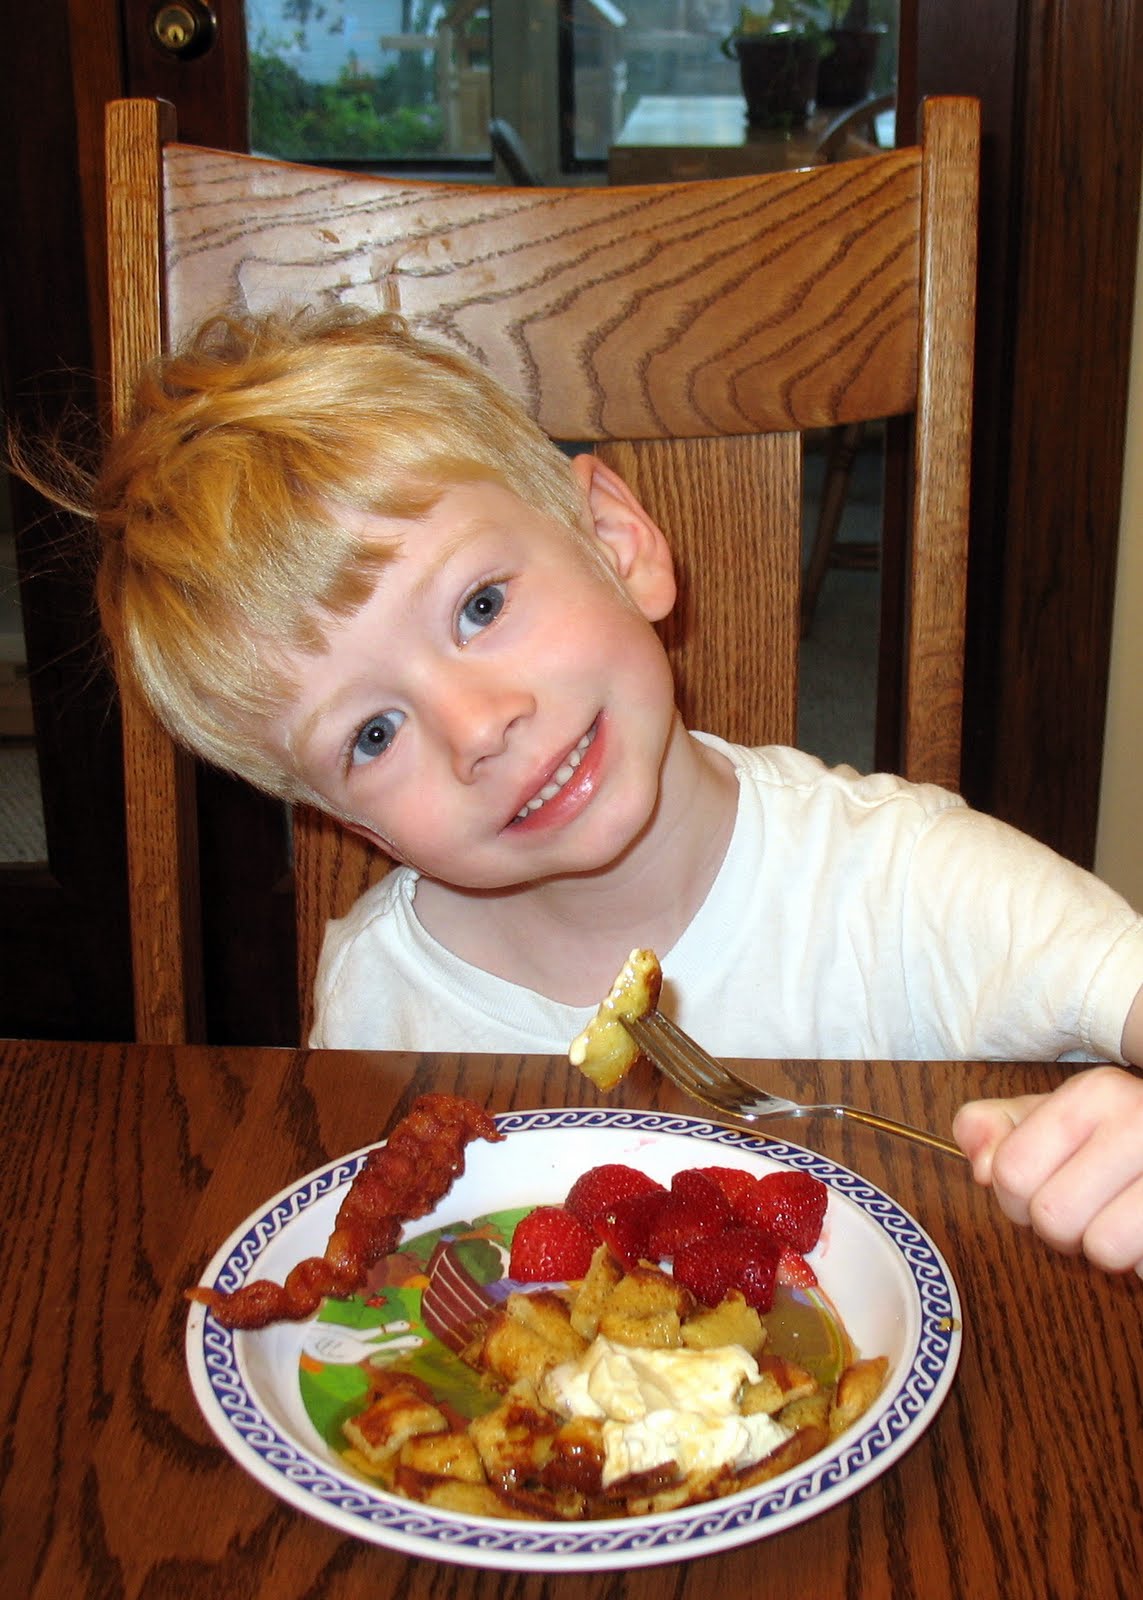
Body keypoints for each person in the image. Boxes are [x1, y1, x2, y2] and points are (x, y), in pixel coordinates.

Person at [82, 306, 1143, 1276]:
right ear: (353, 822)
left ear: (616, 543)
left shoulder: (902, 880)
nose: (477, 727)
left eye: (481, 605)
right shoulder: (377, 996)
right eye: (373, 734)